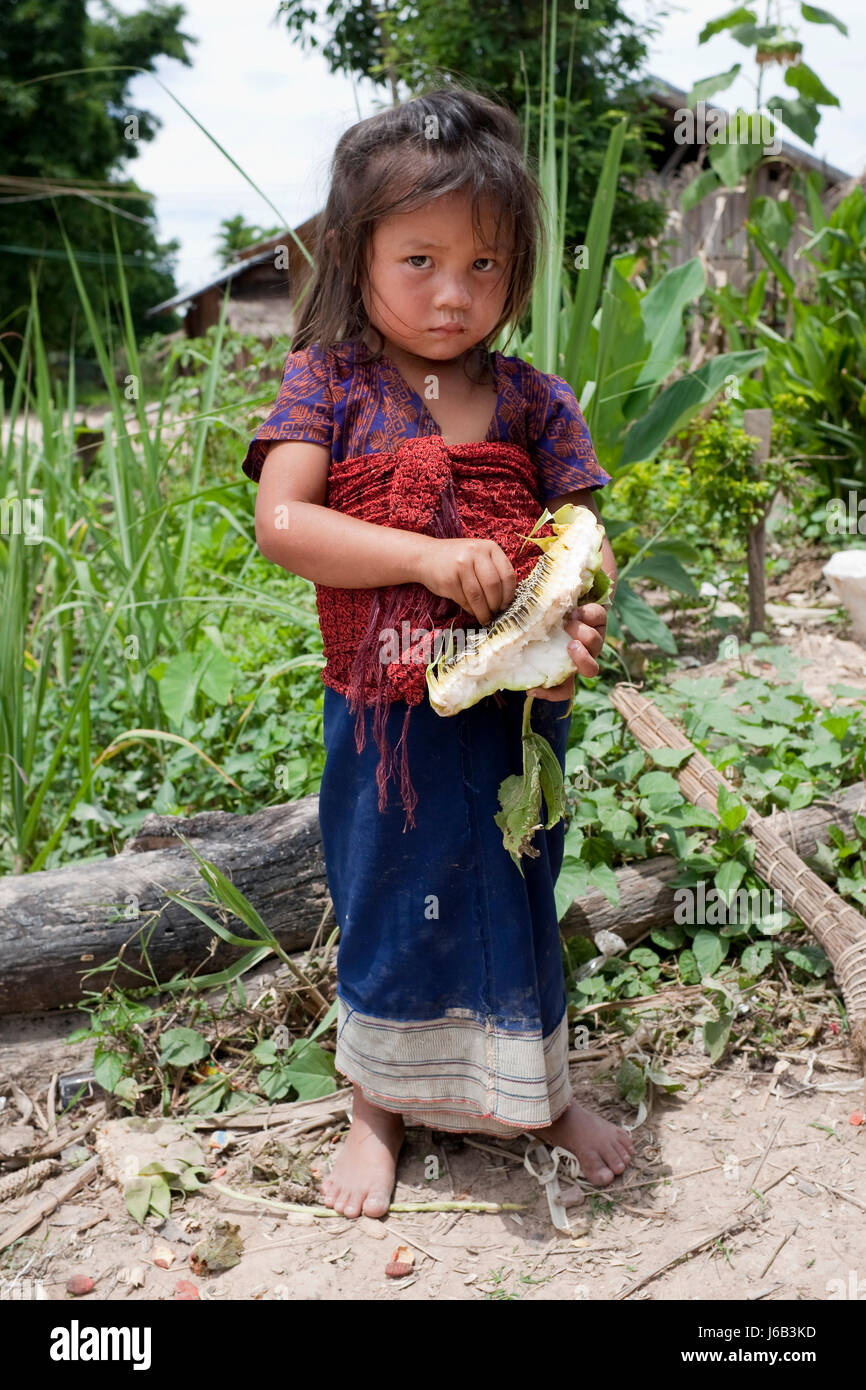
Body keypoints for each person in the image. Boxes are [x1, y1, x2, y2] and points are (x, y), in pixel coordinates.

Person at [241, 86, 635, 1220]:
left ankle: (538, 1091)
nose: (454, 295)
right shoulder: (328, 383)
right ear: (351, 252)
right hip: (385, 721)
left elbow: (582, 543)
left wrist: (584, 614)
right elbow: (284, 526)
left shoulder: (531, 401)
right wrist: (422, 557)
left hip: (518, 719)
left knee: (520, 882)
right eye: (419, 260)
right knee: (383, 893)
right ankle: (375, 1104)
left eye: (486, 267)